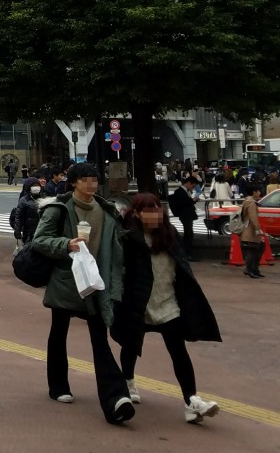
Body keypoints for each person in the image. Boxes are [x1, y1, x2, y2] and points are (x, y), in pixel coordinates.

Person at [31, 163, 134, 424]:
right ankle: (58, 386)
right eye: (85, 180)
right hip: (67, 280)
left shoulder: (107, 211)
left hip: (96, 282)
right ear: (73, 183)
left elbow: (117, 248)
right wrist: (66, 244)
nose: (91, 184)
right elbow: (39, 241)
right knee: (59, 331)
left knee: (100, 338)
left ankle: (115, 399)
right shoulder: (59, 209)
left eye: (94, 180)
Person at [112, 193, 221, 423]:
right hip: (139, 302)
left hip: (167, 301)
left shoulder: (169, 234)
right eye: (147, 210)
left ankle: (191, 401)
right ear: (137, 214)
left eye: (156, 209)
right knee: (131, 344)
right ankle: (128, 381)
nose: (153, 214)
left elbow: (182, 268)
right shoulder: (129, 236)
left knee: (178, 351)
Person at [238, 181, 267, 279]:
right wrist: (258, 230)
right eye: (258, 191)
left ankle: (254, 269)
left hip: (248, 230)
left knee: (257, 249)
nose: (259, 193)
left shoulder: (247, 201)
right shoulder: (251, 203)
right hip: (250, 231)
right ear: (254, 192)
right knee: (253, 250)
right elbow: (253, 218)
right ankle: (250, 269)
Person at [167, 174, 199, 259]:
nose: (192, 188)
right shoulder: (180, 192)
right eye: (193, 186)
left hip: (187, 215)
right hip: (185, 215)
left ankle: (187, 252)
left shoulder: (185, 191)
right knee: (188, 234)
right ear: (189, 183)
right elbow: (184, 204)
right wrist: (193, 200)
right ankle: (187, 253)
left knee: (189, 234)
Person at [13, 176, 43, 251]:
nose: (36, 188)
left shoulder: (44, 198)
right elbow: (18, 216)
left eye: (37, 185)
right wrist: (17, 231)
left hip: (42, 231)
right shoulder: (24, 200)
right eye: (33, 186)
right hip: (28, 232)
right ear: (28, 187)